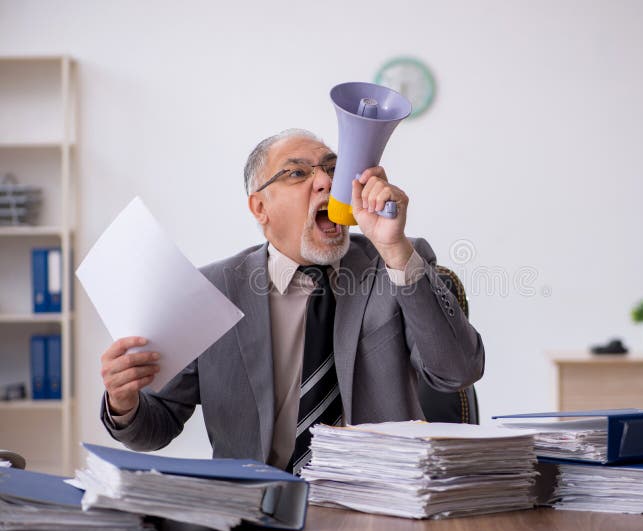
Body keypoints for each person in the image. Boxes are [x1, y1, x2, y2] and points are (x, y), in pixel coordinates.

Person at [99, 129, 485, 473]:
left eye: (333, 170)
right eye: (298, 173)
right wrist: (124, 402)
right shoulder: (211, 290)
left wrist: (395, 249)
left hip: (378, 508)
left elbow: (456, 371)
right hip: (256, 511)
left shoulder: (395, 261)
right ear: (259, 208)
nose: (324, 182)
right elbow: (155, 428)